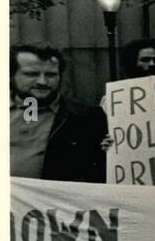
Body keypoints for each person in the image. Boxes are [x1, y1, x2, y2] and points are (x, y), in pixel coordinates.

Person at [10, 44, 107, 182]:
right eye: (32, 74)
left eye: (51, 75)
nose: (42, 81)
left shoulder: (87, 118)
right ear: (11, 75)